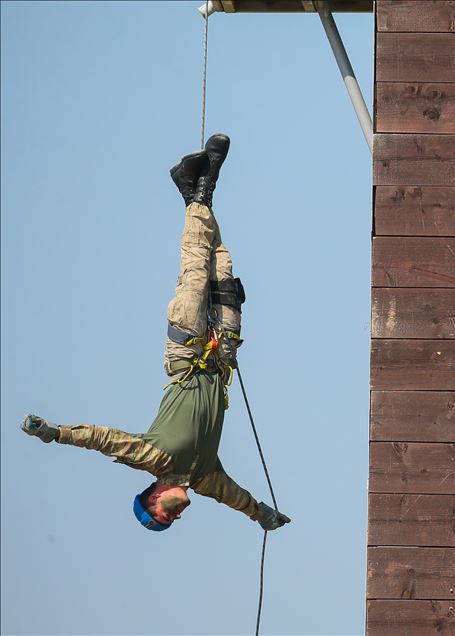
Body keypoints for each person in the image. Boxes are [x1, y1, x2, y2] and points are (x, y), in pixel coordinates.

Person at [21, 134, 290, 533]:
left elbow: (102, 439)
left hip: (187, 346)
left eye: (166, 514)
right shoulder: (204, 479)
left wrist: (55, 433)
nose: (178, 514)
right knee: (222, 265)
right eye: (173, 519)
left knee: (196, 265)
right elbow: (239, 498)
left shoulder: (154, 457)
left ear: (151, 497)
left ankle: (204, 183)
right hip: (221, 353)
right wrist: (263, 515)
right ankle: (191, 187)